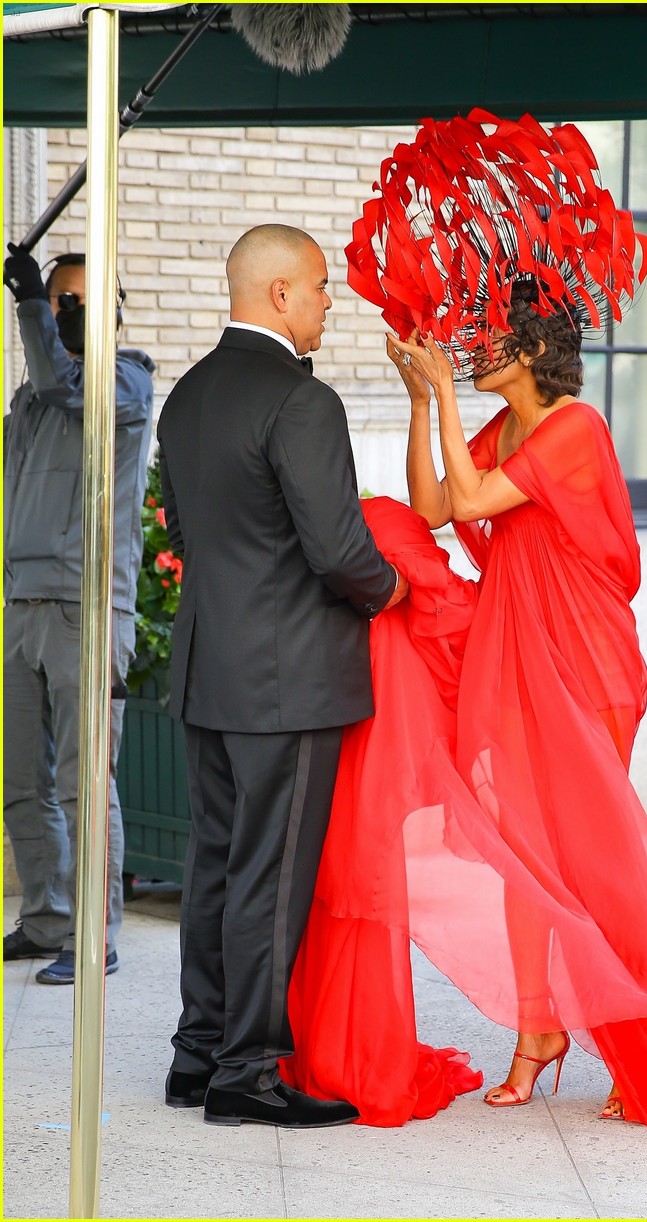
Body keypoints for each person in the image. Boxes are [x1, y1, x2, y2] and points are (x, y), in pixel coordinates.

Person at [280, 283, 647, 1126]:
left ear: (530, 350)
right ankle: (535, 1034)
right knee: (524, 854)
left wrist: (443, 393)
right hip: (514, 659)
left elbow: (475, 499)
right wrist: (420, 404)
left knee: (597, 862)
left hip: (585, 667)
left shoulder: (571, 428)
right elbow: (435, 506)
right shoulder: (507, 429)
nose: (473, 350)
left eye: (488, 339)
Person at [157, 224, 408, 1130]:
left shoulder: (184, 396)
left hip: (208, 670)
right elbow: (337, 548)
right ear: (277, 296)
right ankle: (247, 1073)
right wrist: (391, 586)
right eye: (319, 289)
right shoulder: (302, 402)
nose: (328, 306)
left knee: (217, 864)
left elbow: (181, 536)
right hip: (288, 679)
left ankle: (197, 1054)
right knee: (269, 874)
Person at [3, 246, 154, 984]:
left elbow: (78, 390)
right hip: (22, 604)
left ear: (113, 310)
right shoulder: (31, 397)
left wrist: (34, 309)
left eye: (80, 304)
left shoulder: (126, 381)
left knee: (83, 781)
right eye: (59, 301)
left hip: (84, 609)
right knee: (22, 782)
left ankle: (95, 936)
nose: (68, 314)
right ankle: (47, 919)